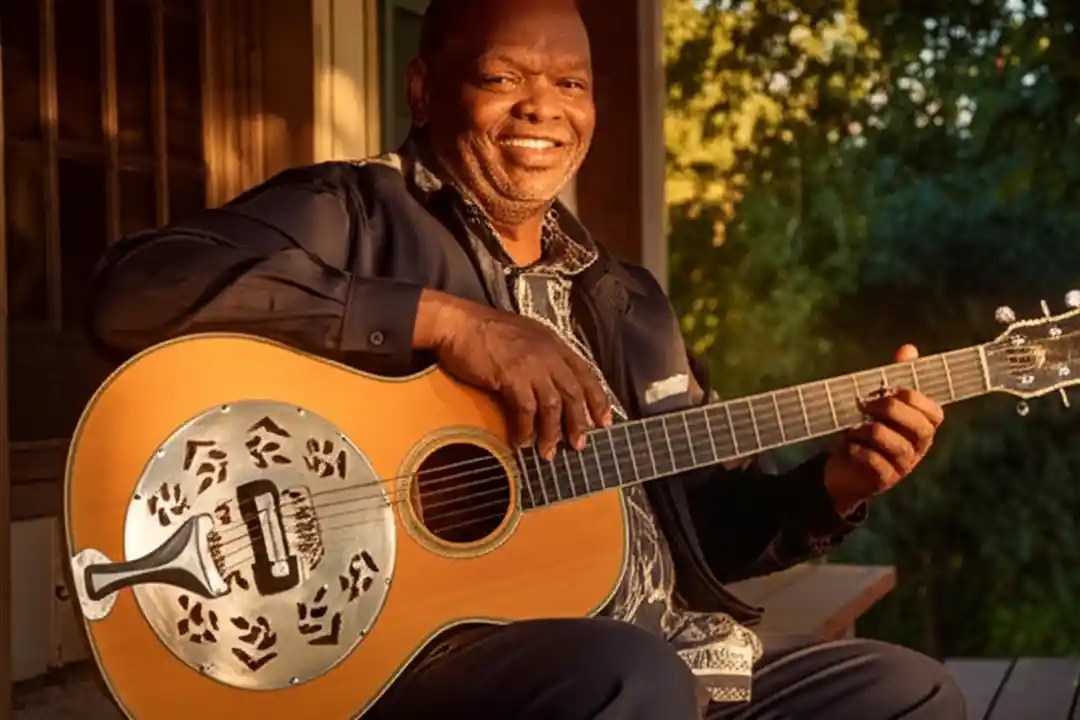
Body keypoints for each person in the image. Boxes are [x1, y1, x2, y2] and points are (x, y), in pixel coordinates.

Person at [86, 0, 965, 716]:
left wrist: (835, 486)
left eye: (569, 83)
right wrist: (444, 320)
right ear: (424, 89)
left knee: (905, 691)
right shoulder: (352, 212)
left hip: (675, 669)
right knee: (633, 677)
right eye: (503, 77)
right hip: (418, 660)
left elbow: (702, 529)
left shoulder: (630, 303)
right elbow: (133, 291)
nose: (542, 106)